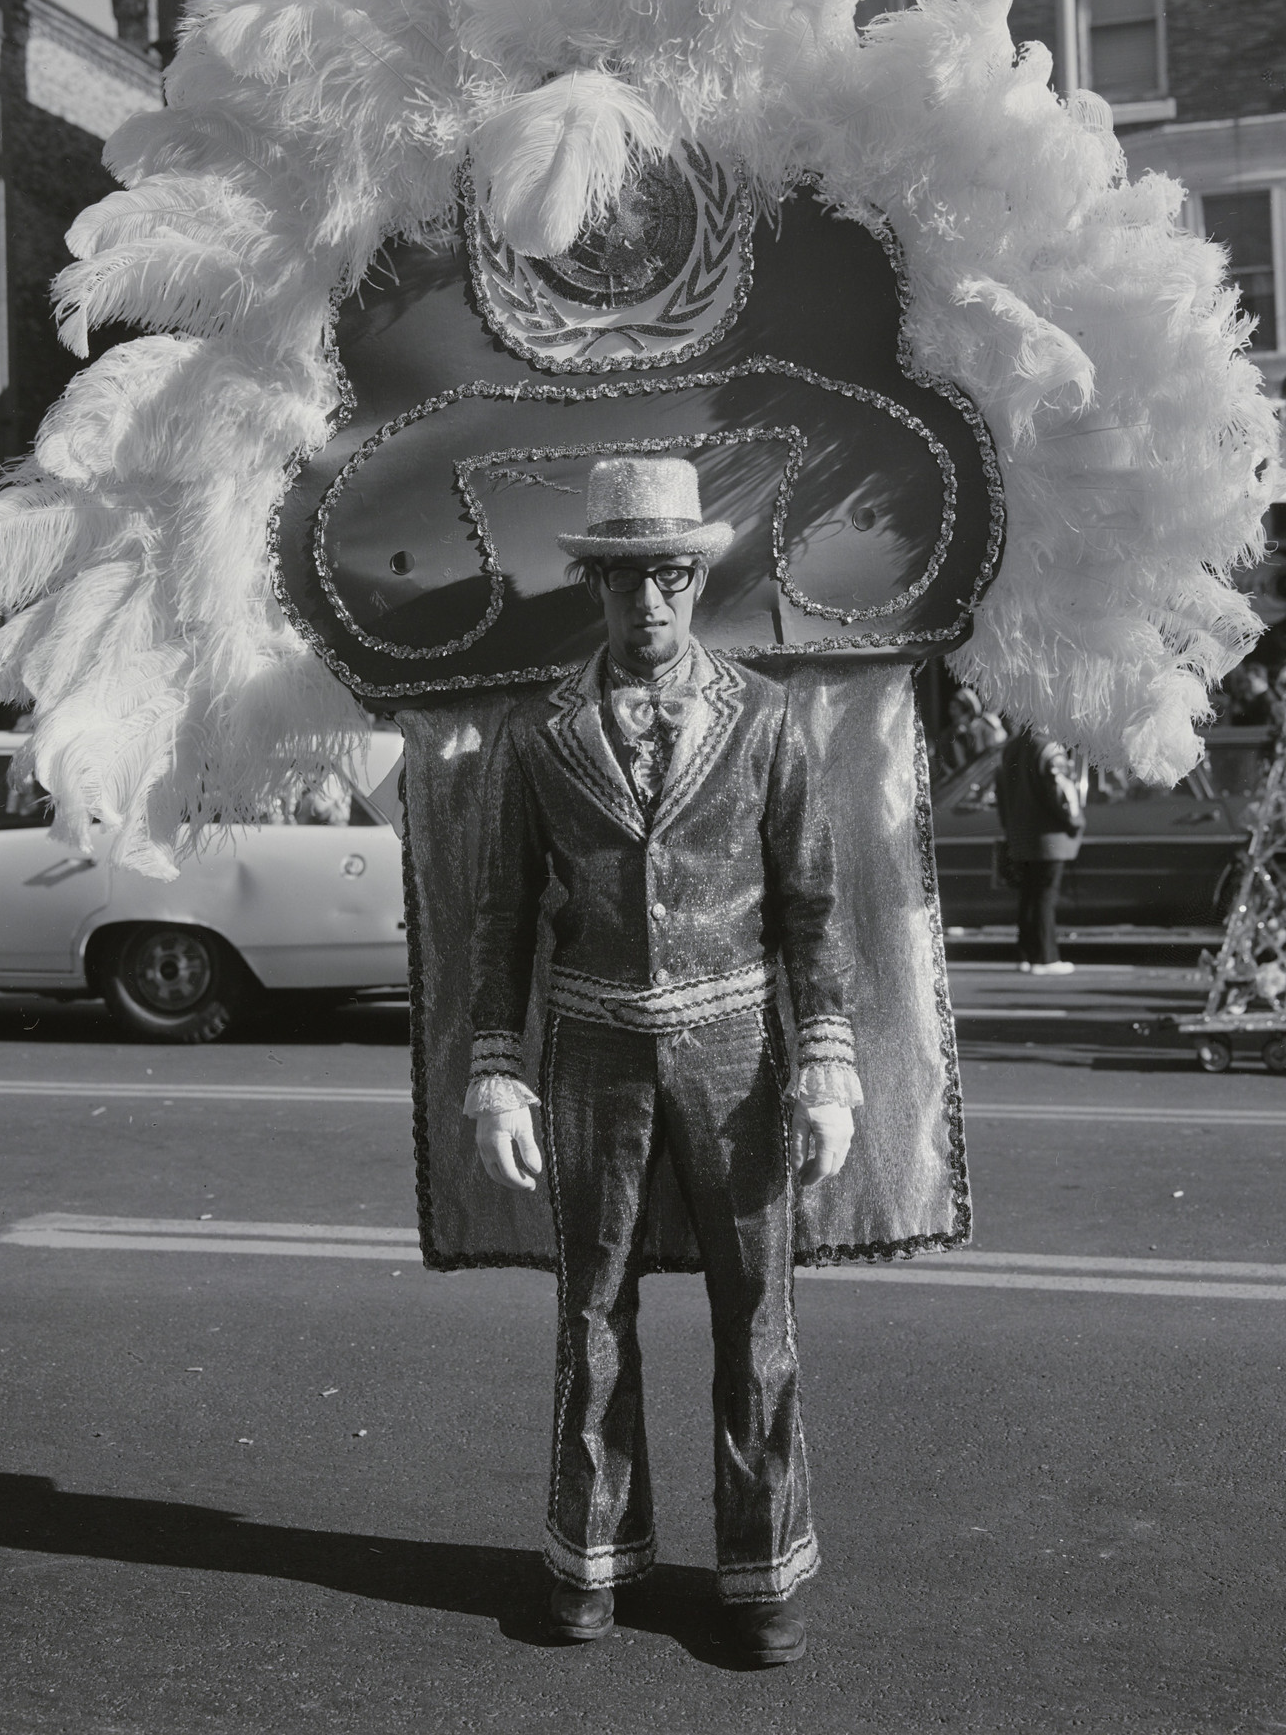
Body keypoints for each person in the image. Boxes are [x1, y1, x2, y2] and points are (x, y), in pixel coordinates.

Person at [465, 456, 858, 1666]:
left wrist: (828, 1060)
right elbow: (502, 910)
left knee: (757, 1313)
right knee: (591, 1308)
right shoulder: (539, 730)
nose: (649, 602)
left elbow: (811, 904)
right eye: (627, 578)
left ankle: (763, 1566)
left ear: (699, 580)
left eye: (672, 577)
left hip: (736, 1045)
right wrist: (495, 1066)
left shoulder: (766, 717)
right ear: (594, 583)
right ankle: (588, 1554)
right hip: (591, 1045)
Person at [995, 727, 1087, 976]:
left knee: (1028, 896)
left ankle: (1026, 954)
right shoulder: (1048, 747)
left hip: (1021, 835)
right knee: (1045, 897)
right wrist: (1075, 821)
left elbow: (1001, 792)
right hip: (1049, 836)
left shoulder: (1011, 747)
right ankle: (1045, 957)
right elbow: (1061, 791)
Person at [940, 686, 1006, 775]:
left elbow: (991, 759)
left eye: (955, 708)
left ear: (968, 709)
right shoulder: (957, 735)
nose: (951, 712)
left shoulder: (987, 728)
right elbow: (961, 766)